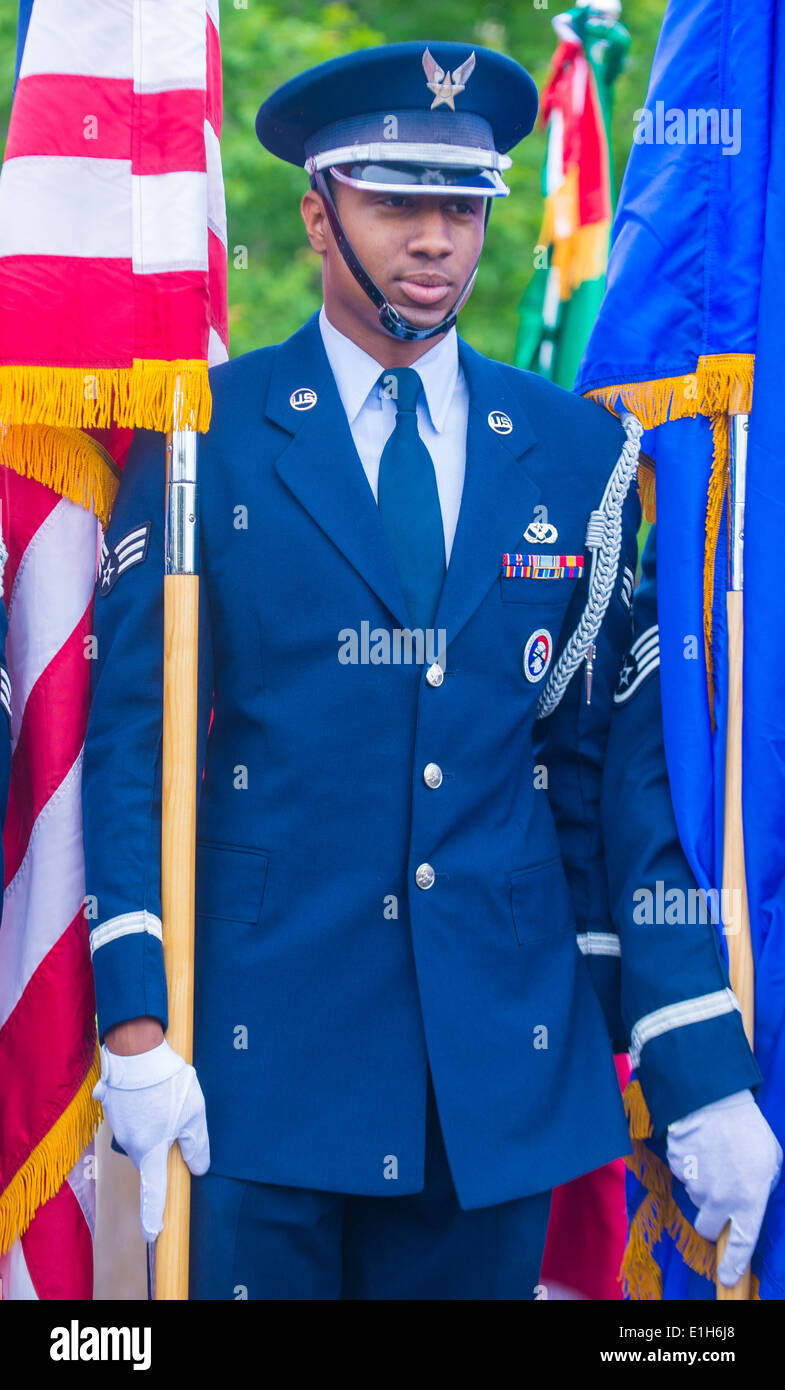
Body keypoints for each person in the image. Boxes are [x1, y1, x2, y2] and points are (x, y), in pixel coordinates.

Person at [83, 40, 777, 1300]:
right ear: (317, 211)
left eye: (460, 206)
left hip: (494, 1092)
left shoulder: (579, 455)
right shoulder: (207, 435)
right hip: (259, 1075)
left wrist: (695, 1066)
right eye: (397, 200)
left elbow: (605, 790)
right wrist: (133, 1017)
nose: (436, 240)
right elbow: (134, 749)